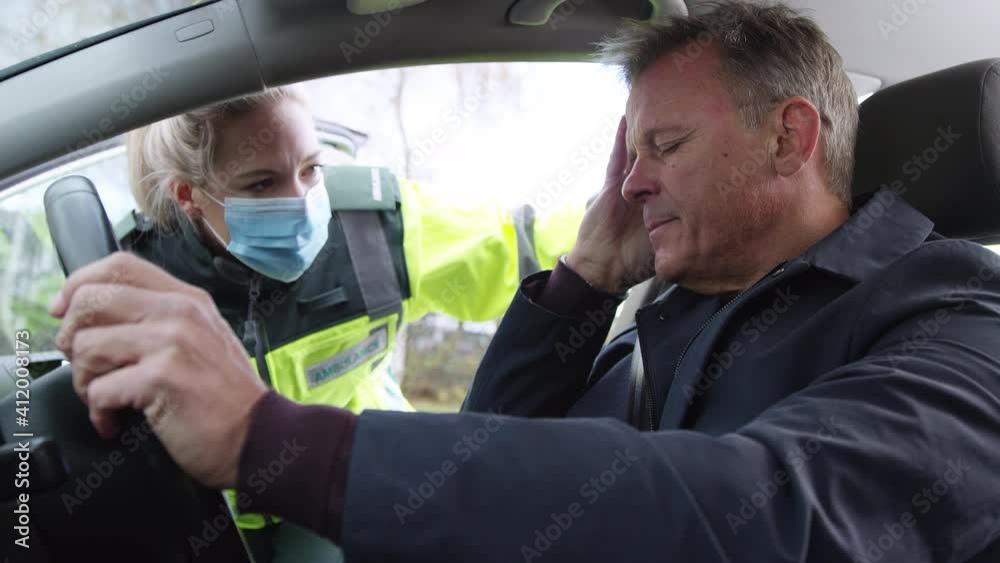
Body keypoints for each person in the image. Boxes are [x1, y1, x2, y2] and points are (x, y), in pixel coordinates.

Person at [52, 2, 1000, 562]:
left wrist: (273, 439)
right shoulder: (689, 299)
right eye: (629, 153)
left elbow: (764, 510)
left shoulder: (955, 329)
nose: (630, 179)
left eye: (663, 145)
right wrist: (583, 286)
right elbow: (504, 437)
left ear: (789, 138)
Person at [118, 86, 584, 561]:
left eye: (310, 169)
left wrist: (616, 236)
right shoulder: (143, 282)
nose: (301, 201)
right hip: (217, 518)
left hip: (348, 478)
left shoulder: (373, 229)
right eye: (261, 184)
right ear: (188, 194)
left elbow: (520, 246)